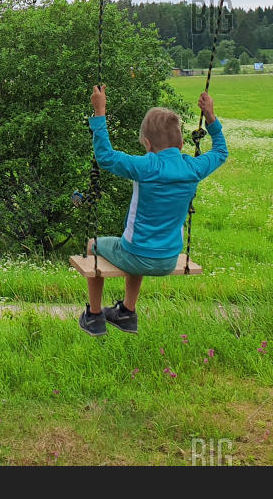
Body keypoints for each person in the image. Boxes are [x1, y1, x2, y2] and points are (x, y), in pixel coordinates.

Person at [78, 83, 227, 337]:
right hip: (168, 259)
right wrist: (210, 117)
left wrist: (100, 112)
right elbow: (221, 151)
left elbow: (105, 156)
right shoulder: (193, 168)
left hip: (136, 253)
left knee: (94, 245)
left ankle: (93, 316)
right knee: (134, 247)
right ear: (181, 142)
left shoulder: (145, 166)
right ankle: (127, 312)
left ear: (147, 143)